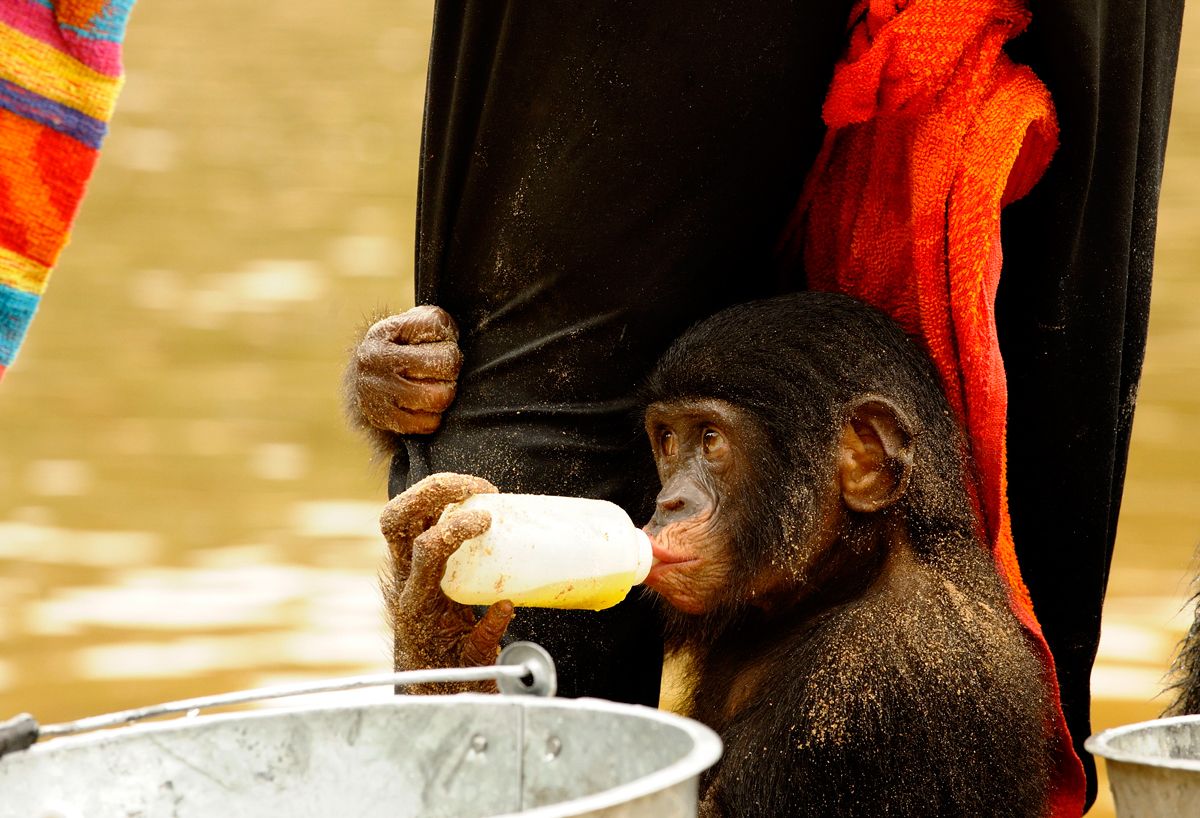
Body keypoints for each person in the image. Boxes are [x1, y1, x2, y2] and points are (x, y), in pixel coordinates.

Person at [348, 1, 1185, 810]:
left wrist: (443, 679)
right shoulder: (781, 596)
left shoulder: (877, 672)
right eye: (663, 444)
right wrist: (402, 387)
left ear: (863, 460)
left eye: (708, 443)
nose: (667, 494)